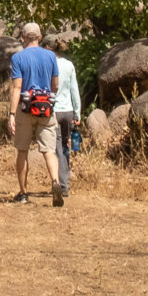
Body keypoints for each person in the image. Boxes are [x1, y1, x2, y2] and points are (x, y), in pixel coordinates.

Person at [7, 22, 63, 206]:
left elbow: (16, 87)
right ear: (39, 37)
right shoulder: (50, 56)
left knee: (22, 150)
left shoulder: (18, 58)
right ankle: (55, 181)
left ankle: (23, 193)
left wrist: (11, 114)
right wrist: (49, 96)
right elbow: (55, 84)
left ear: (23, 37)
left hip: (25, 108)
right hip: (45, 107)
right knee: (49, 150)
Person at [48, 36, 82, 197]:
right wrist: (78, 112)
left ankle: (60, 184)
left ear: (48, 49)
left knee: (55, 149)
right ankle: (65, 183)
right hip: (68, 111)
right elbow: (74, 90)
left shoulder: (48, 65)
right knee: (64, 146)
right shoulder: (69, 65)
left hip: (53, 111)